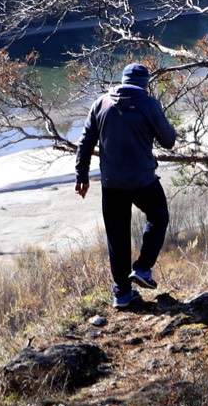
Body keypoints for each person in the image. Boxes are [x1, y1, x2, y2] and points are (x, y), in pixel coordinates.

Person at [75, 62, 177, 309]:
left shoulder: (101, 103)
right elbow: (169, 140)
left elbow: (85, 142)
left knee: (117, 237)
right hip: (143, 180)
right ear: (145, 83)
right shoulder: (148, 104)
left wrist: (82, 176)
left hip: (111, 184)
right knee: (158, 216)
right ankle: (142, 268)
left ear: (123, 80)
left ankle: (122, 293)